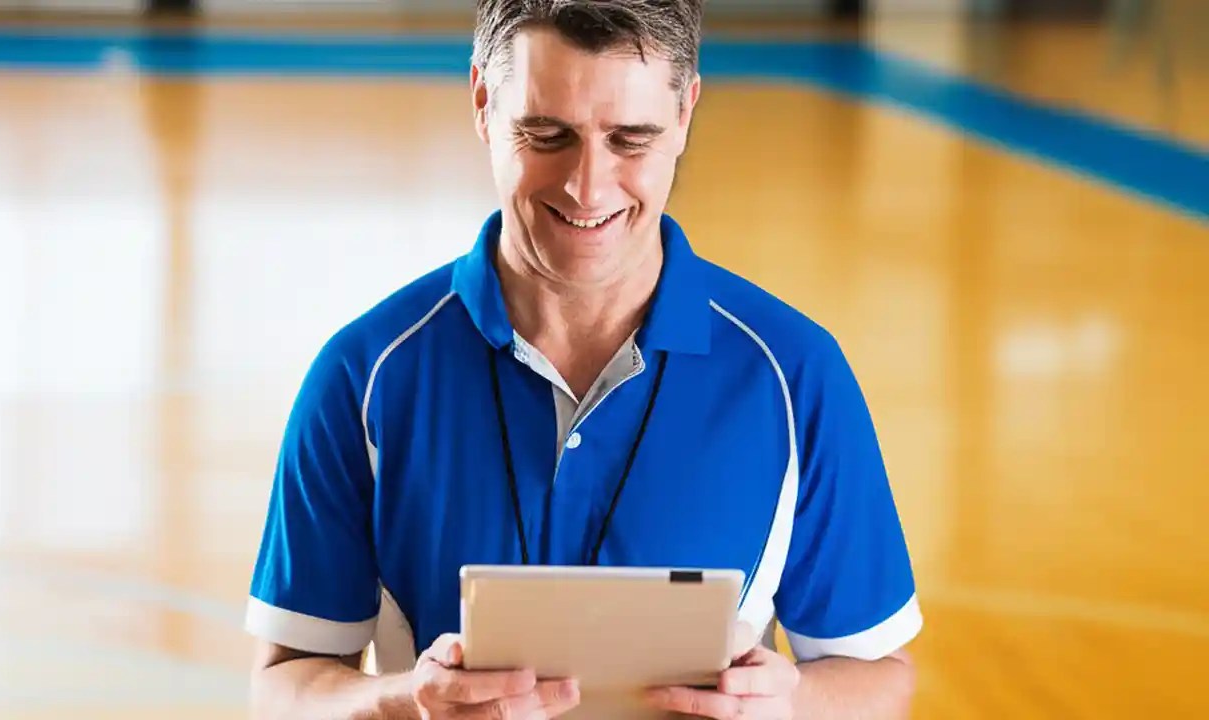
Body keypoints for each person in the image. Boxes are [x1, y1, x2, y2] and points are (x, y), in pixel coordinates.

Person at [244, 1, 922, 718]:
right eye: (547, 135)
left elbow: (877, 676)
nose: (587, 188)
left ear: (686, 111)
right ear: (483, 100)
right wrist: (401, 702)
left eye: (631, 139)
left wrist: (791, 706)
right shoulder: (364, 376)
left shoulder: (795, 374)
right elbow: (283, 684)